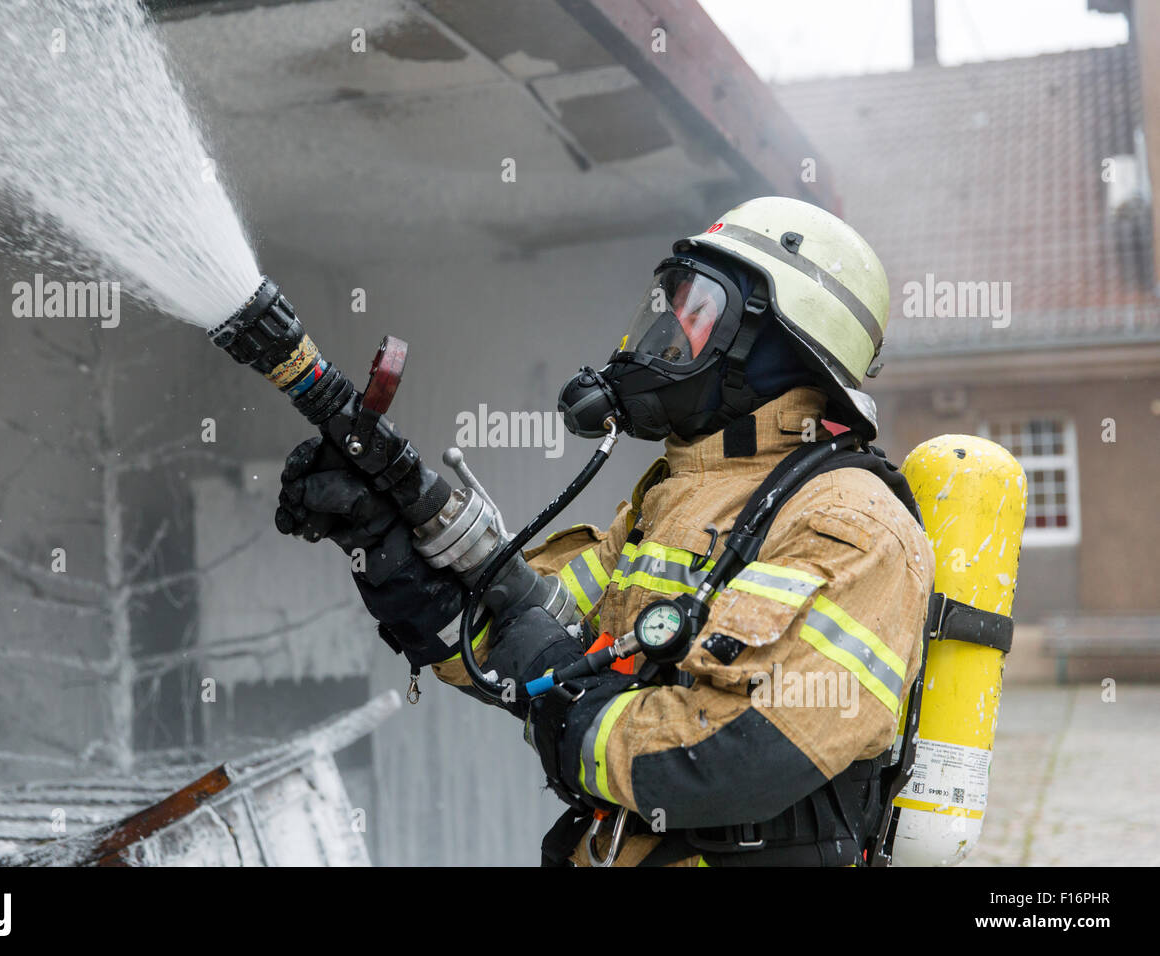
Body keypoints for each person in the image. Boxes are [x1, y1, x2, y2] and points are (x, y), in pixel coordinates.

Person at [274, 197, 934, 866]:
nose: (666, 331)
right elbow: (520, 644)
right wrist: (384, 547)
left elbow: (738, 757)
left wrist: (563, 698)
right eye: (668, 303)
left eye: (698, 311)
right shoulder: (666, 505)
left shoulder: (848, 525)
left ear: (774, 349)